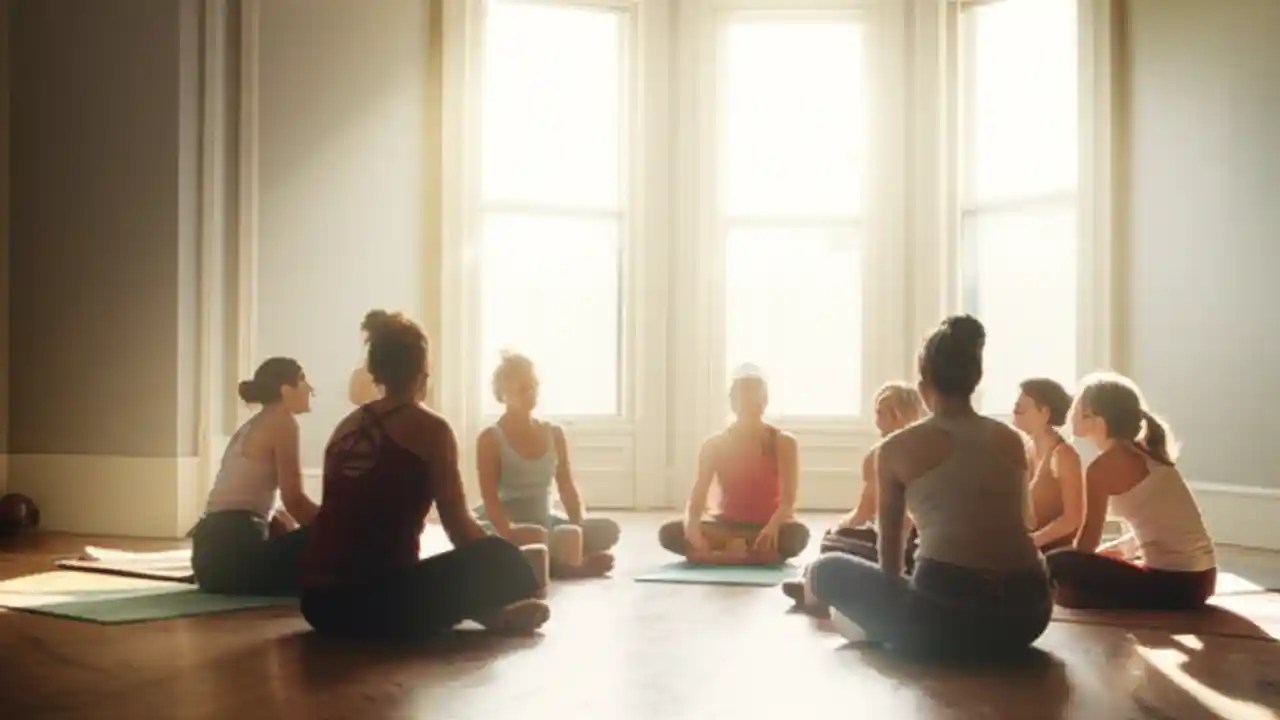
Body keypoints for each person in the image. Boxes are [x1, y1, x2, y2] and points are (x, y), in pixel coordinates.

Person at [807, 316, 1051, 659]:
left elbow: (891, 565)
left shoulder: (895, 448)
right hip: (1029, 615)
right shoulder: (1012, 440)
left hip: (945, 616)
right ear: (975, 380)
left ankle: (881, 627)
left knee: (824, 569)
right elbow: (1027, 521)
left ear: (923, 388)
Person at [301, 311, 548, 639]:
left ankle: (490, 613)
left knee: (461, 569)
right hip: (378, 603)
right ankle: (488, 606)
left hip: (317, 606)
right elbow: (459, 529)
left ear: (377, 372)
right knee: (502, 559)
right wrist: (513, 562)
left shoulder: (345, 428)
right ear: (423, 375)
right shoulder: (431, 428)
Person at [1046, 372, 1217, 610]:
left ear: (1094, 416)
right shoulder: (1145, 452)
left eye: (1077, 404)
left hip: (1176, 584)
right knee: (1086, 564)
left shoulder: (1102, 468)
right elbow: (1159, 526)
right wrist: (1114, 552)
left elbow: (1086, 543)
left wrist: (1074, 565)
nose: (1071, 408)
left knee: (1056, 561)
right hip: (1202, 580)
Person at [782, 382, 925, 613]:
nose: (877, 420)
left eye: (881, 413)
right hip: (929, 551)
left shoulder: (880, 455)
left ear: (897, 415)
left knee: (833, 541)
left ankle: (815, 588)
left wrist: (838, 528)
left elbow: (863, 512)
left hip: (902, 547)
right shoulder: (933, 446)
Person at [475, 352, 619, 578]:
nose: (530, 392)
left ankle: (548, 562)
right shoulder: (490, 439)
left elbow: (567, 487)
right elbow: (490, 500)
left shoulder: (554, 433)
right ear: (504, 394)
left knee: (604, 530)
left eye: (534, 386)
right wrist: (509, 531)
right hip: (506, 523)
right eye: (523, 388)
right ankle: (567, 566)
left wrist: (577, 525)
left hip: (545, 520)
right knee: (527, 536)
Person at [191, 358, 320, 596]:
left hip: (208, 560)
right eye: (302, 379)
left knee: (290, 528)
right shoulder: (283, 422)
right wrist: (337, 525)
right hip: (236, 556)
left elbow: (275, 507)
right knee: (335, 542)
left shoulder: (253, 424)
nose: (310, 388)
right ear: (285, 389)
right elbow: (296, 502)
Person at [659, 365, 809, 564]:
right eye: (744, 401)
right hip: (725, 525)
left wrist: (772, 528)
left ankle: (720, 555)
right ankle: (747, 554)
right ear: (733, 403)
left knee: (797, 536)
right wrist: (692, 527)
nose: (751, 406)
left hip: (767, 526)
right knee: (669, 533)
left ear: (765, 402)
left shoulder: (783, 442)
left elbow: (788, 501)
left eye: (756, 400)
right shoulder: (715, 444)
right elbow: (698, 495)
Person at [1013, 378, 1084, 552]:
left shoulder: (1063, 455)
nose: (1014, 413)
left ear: (1044, 412)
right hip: (1033, 553)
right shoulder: (1028, 449)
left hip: (1058, 556)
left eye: (1020, 408)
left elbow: (1073, 518)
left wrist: (1031, 542)